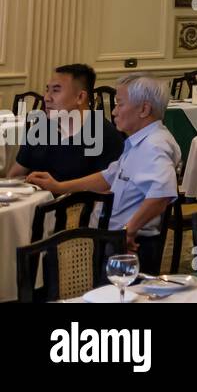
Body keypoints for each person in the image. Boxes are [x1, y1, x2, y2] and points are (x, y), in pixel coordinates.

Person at [27, 75, 181, 275]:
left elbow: (162, 194)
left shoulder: (154, 145)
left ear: (144, 109)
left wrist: (129, 231)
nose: (114, 112)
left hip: (128, 246)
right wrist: (59, 186)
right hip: (110, 236)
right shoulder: (140, 141)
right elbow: (109, 176)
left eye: (119, 105)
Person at [7, 64, 123, 181]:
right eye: (47, 90)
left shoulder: (105, 136)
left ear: (80, 97)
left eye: (56, 91)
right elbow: (14, 176)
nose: (47, 98)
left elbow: (107, 188)